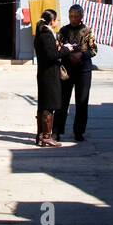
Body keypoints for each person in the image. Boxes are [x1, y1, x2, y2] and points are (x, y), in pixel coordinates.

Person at [54, 4, 97, 142]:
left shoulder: (88, 31)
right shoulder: (63, 31)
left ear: (81, 17)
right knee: (62, 101)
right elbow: (57, 47)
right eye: (71, 16)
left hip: (83, 70)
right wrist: (65, 53)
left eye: (76, 16)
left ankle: (79, 131)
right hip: (66, 70)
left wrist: (82, 55)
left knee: (82, 102)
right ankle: (57, 130)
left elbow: (94, 50)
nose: (73, 19)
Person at [33, 9, 64, 146]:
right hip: (49, 74)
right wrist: (65, 50)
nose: (57, 22)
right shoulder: (46, 34)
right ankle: (46, 135)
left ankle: (40, 136)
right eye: (56, 20)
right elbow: (51, 56)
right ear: (51, 21)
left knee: (43, 104)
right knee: (49, 105)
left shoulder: (42, 33)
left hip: (44, 73)